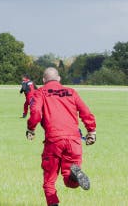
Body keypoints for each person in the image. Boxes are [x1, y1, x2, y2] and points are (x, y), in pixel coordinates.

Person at [26, 67, 97, 206]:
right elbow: (85, 112)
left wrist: (31, 129)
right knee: (69, 182)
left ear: (43, 80)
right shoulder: (71, 92)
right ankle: (74, 175)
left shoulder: (40, 92)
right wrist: (91, 131)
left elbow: (35, 112)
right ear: (59, 79)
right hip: (74, 140)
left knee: (49, 181)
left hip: (54, 141)